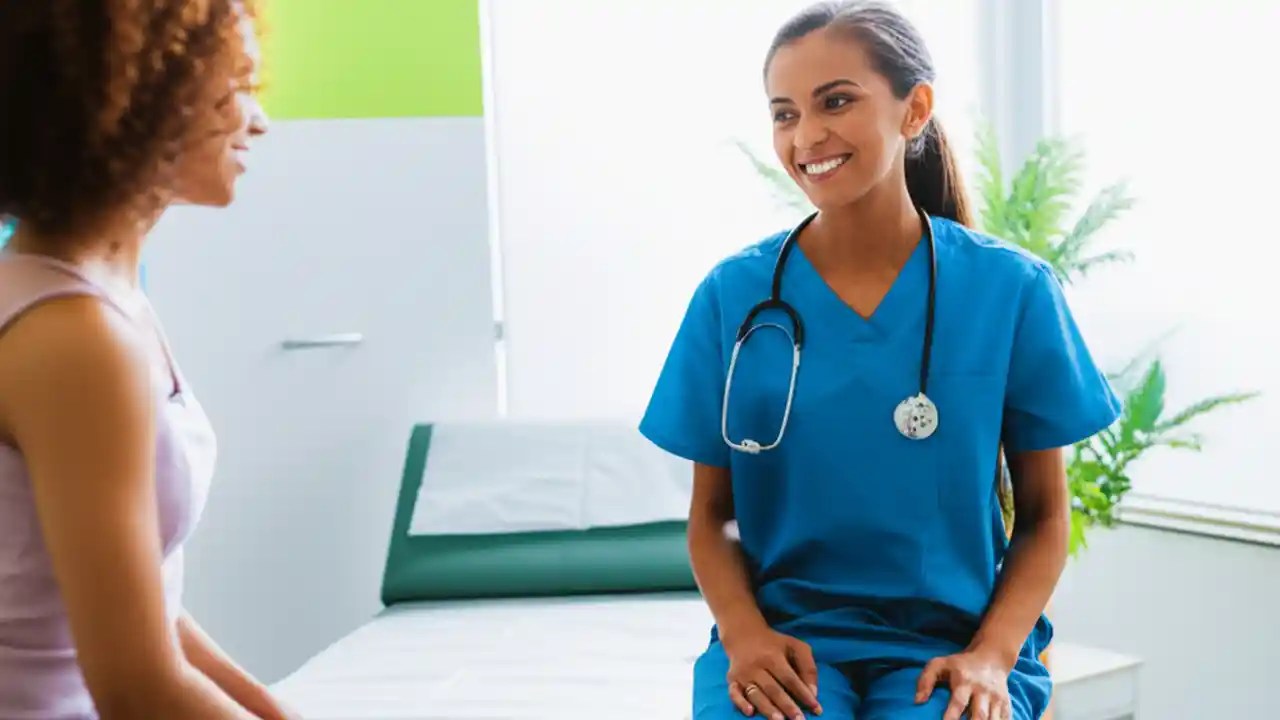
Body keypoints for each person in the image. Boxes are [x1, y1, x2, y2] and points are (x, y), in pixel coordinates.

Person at [639, 2, 1121, 719]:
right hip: (786, 643)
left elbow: (1047, 516)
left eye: (835, 102)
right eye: (784, 113)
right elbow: (712, 517)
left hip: (953, 645)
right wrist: (742, 636)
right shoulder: (732, 295)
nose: (806, 136)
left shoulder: (1010, 291)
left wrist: (993, 654)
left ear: (914, 109)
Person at [0, 2, 293, 718]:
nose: (259, 121)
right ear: (142, 106)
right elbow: (137, 689)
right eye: (237, 90)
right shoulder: (73, 336)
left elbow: (155, 614)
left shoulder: (102, 296)